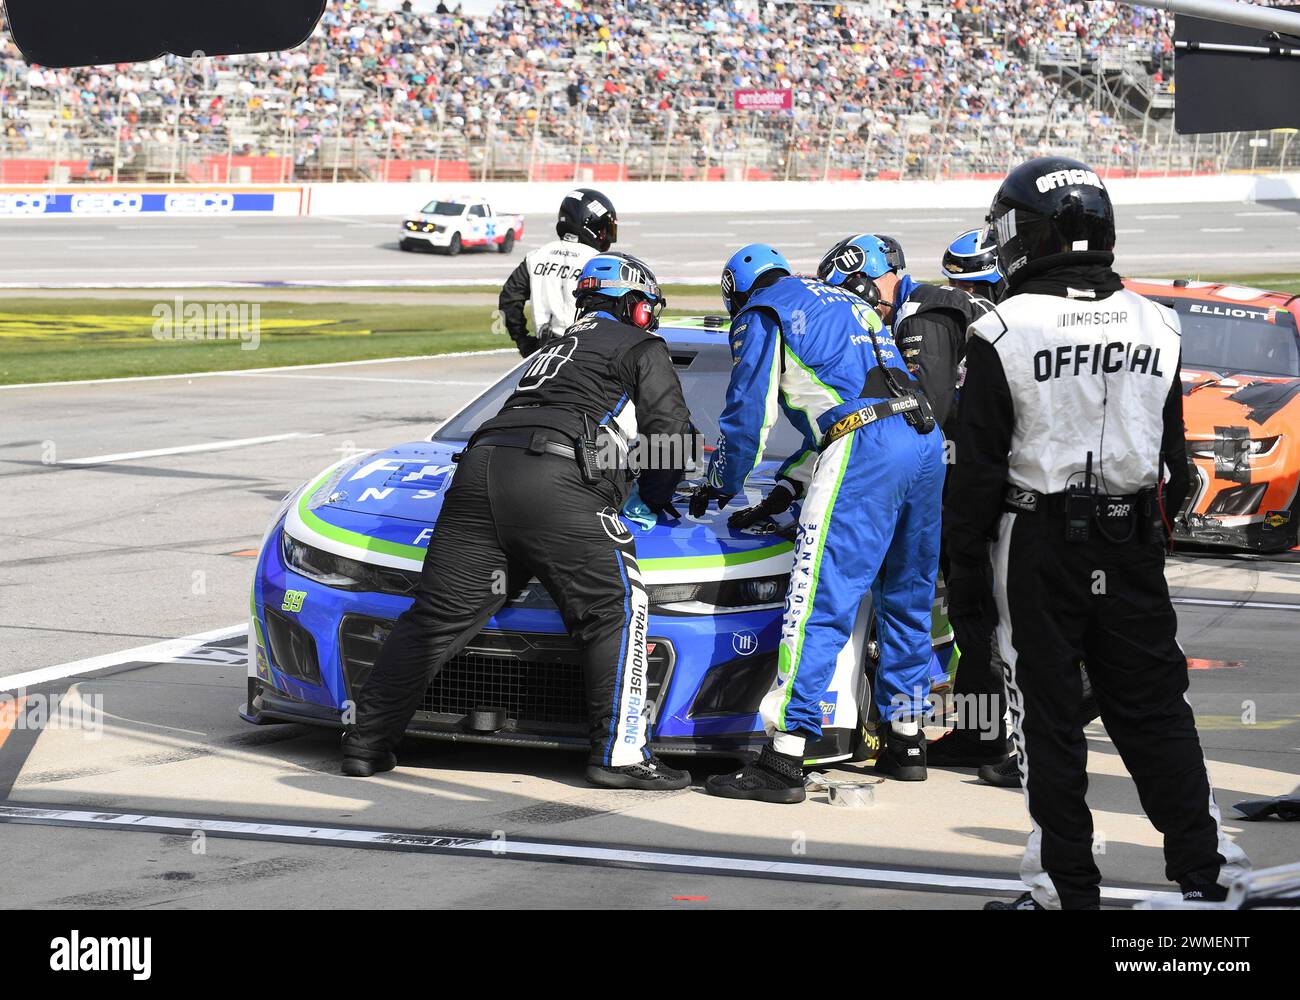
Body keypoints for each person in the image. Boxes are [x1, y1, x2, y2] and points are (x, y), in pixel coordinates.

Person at [947, 156, 1251, 909]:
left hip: (1040, 539)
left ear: (1027, 235)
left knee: (1046, 721)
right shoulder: (1158, 321)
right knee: (1155, 712)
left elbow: (977, 475)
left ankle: (1069, 889)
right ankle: (1204, 876)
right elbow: (1176, 468)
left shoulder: (1002, 328)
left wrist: (965, 588)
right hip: (1131, 538)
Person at [342, 252, 695, 791]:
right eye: (648, 306)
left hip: (478, 471)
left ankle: (366, 744)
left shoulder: (554, 346)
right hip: (552, 477)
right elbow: (671, 433)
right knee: (616, 606)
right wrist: (655, 495)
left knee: (434, 617)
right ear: (636, 306)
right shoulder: (641, 344)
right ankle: (620, 755)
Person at [695, 243, 946, 803]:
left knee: (817, 601)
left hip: (867, 447)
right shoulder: (846, 301)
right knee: (907, 597)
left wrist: (721, 484)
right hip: (922, 439)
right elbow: (856, 400)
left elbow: (747, 418)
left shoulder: (764, 312)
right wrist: (789, 482)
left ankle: (783, 759)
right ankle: (907, 741)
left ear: (739, 292)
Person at [816, 234, 1011, 774]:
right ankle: (979, 733)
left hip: (963, 484)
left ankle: (996, 737)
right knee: (963, 611)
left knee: (975, 612)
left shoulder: (920, 313)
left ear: (882, 274)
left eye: (859, 289)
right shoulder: (933, 309)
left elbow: (924, 409)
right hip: (975, 478)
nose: (858, 303)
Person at [497, 188, 618, 357]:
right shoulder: (598, 261)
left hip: (543, 352)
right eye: (604, 230)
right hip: (585, 352)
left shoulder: (536, 256)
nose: (606, 237)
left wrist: (523, 341)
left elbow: (509, 299)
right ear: (590, 224)